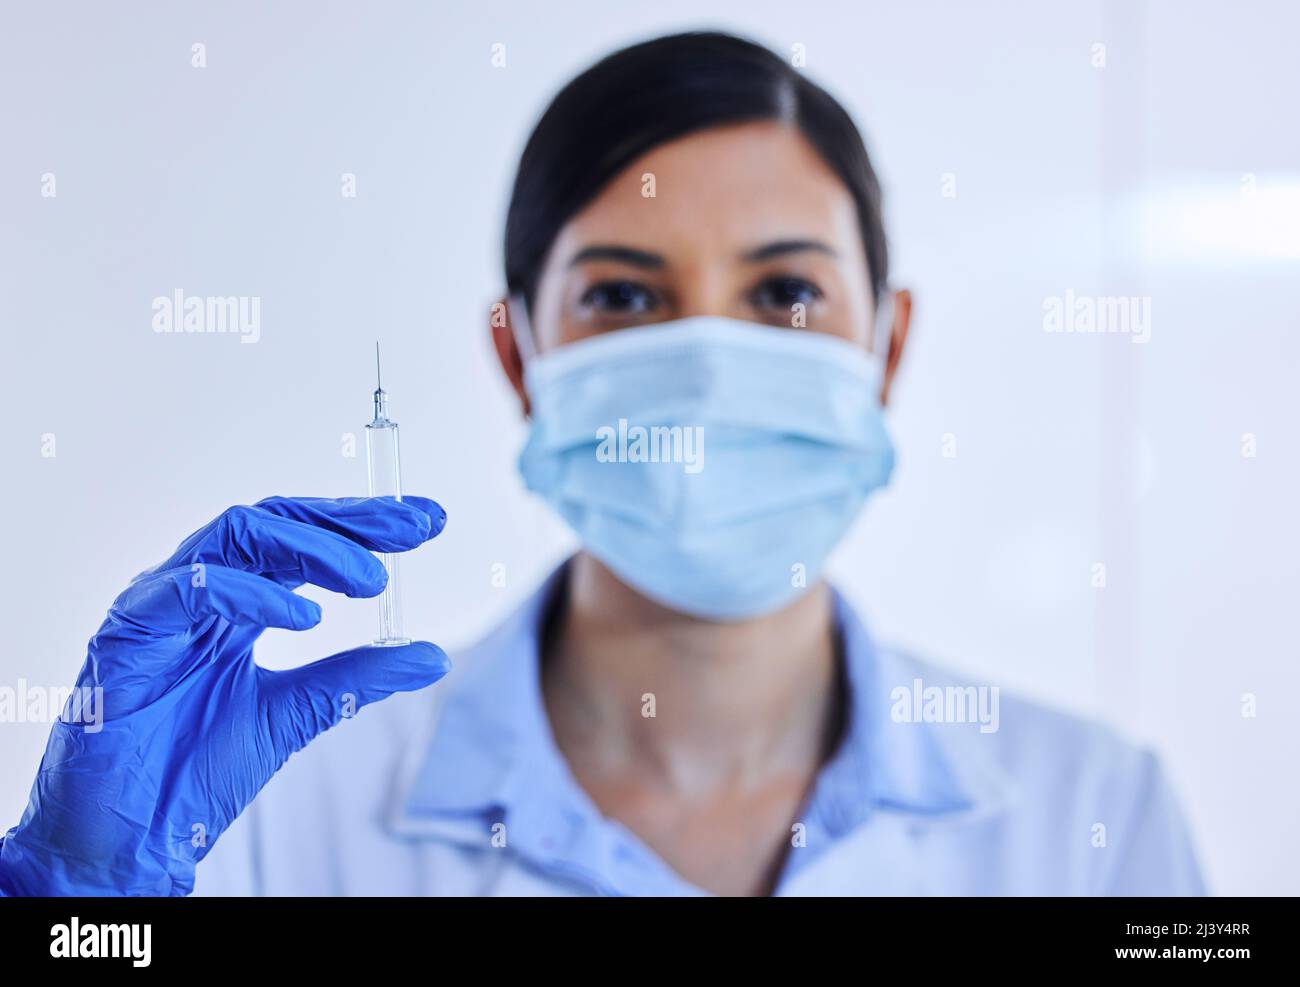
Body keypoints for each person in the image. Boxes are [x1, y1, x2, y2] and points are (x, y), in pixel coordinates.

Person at [0, 31, 1204, 897]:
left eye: (784, 292)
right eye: (624, 295)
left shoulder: (1092, 817)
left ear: (886, 345)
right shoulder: (275, 818)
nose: (707, 366)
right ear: (517, 354)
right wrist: (82, 910)